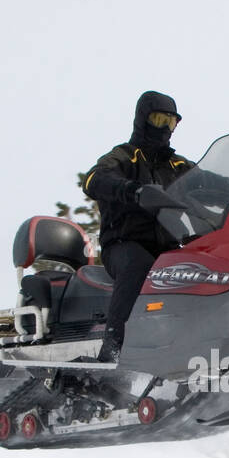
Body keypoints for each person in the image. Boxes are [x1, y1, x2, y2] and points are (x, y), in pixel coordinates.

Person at [83, 91, 195, 362]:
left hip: (167, 249)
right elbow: (93, 180)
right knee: (139, 265)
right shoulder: (124, 157)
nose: (165, 128)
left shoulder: (178, 166)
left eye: (171, 122)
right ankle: (112, 350)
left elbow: (211, 181)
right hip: (123, 245)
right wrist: (133, 191)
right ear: (143, 120)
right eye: (159, 120)